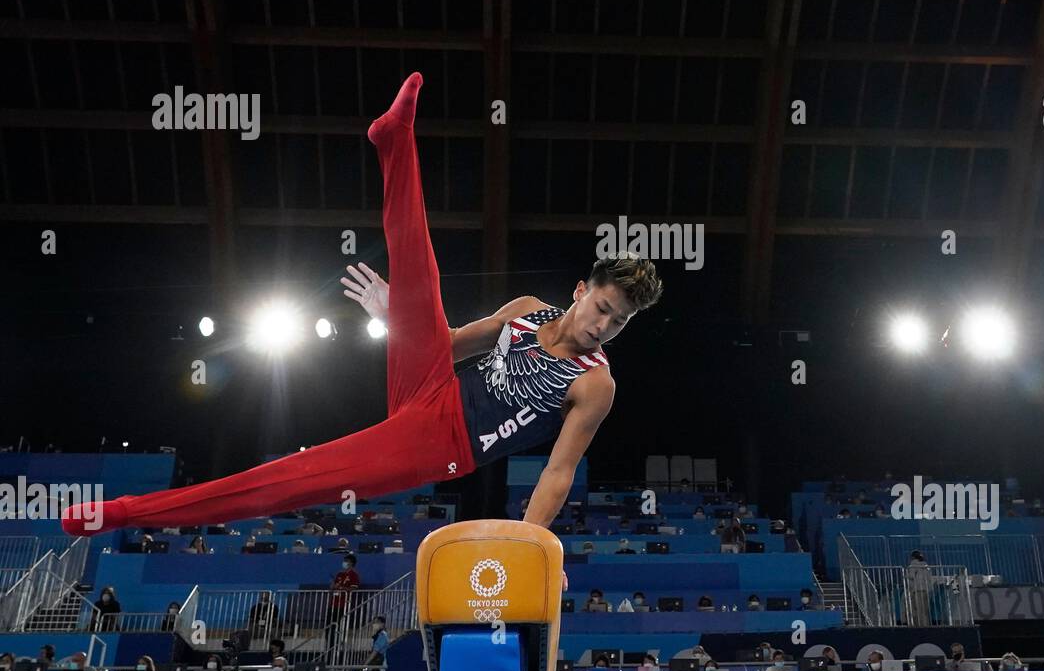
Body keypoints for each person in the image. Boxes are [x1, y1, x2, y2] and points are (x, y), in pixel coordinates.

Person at [61, 74, 664, 601]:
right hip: (430, 383)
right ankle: (393, 140)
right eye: (603, 308)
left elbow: (557, 473)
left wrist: (537, 545)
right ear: (581, 289)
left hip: (441, 442)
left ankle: (116, 515)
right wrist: (399, 316)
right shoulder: (529, 310)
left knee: (286, 485)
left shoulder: (595, 384)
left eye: (618, 322)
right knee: (418, 276)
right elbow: (449, 343)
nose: (602, 326)